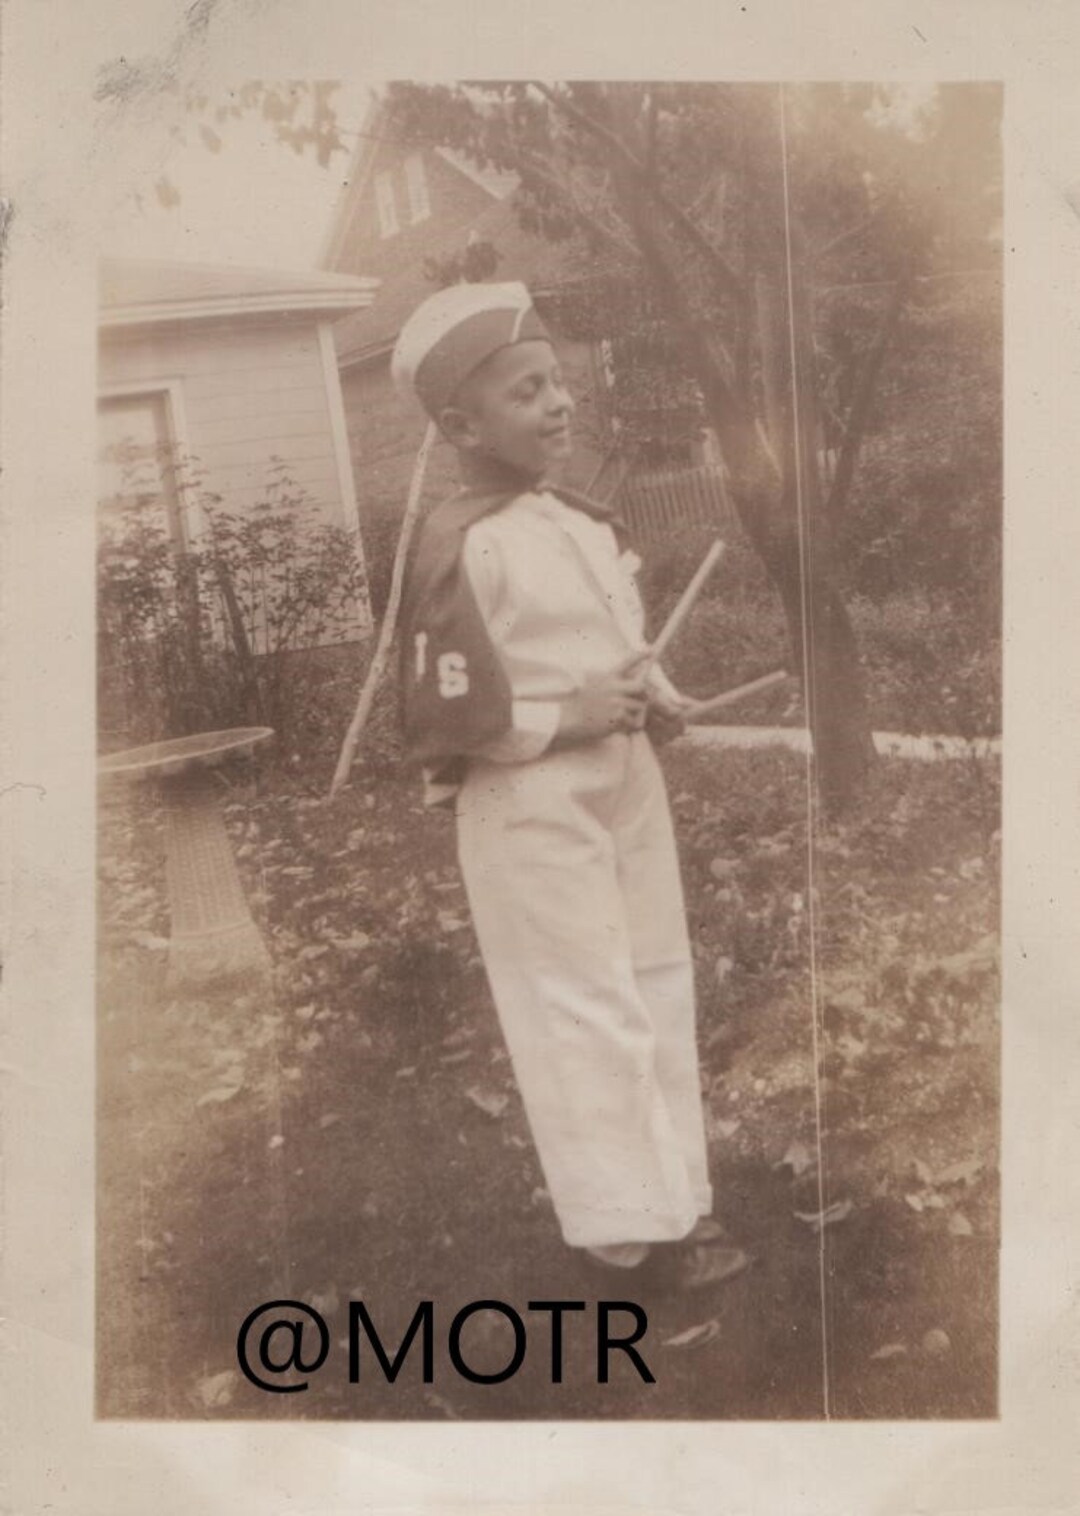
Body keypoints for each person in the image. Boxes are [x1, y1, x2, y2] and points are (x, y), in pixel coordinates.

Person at [393, 280, 748, 1294]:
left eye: (557, 383)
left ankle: (681, 1191)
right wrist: (566, 719)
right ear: (460, 423)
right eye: (524, 392)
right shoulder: (464, 546)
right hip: (530, 800)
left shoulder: (581, 522)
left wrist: (653, 691)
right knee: (579, 1005)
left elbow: (617, 646)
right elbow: (447, 711)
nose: (557, 404)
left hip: (626, 783)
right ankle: (622, 1233)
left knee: (653, 976)